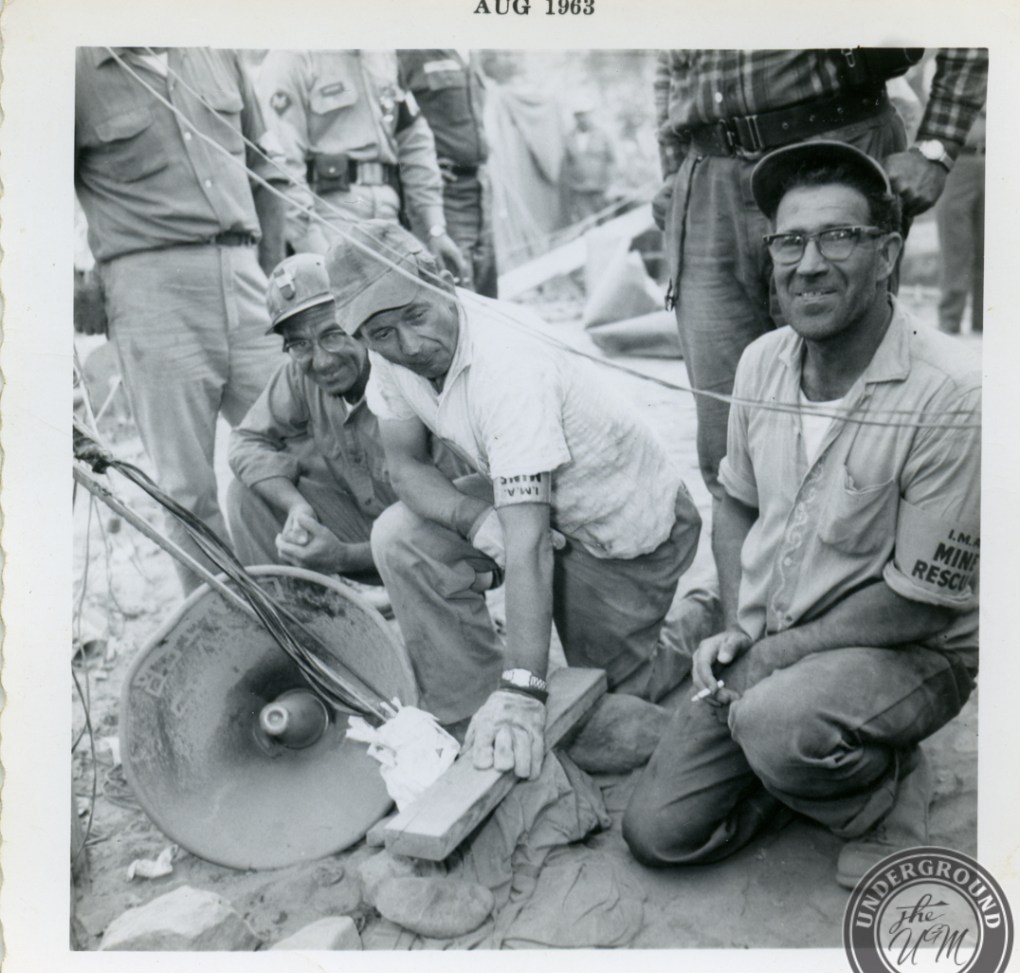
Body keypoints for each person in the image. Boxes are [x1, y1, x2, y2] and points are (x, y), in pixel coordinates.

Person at [624, 141, 980, 888]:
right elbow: (735, 502)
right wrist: (736, 626)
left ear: (886, 254)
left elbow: (917, 604)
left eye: (838, 236)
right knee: (659, 833)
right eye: (790, 240)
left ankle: (881, 796)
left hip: (908, 653)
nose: (808, 263)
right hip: (776, 643)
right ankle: (797, 766)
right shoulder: (761, 362)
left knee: (778, 722)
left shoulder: (953, 395)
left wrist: (772, 662)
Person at [325, 220, 702, 781]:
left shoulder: (508, 364)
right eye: (381, 334)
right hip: (531, 506)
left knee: (606, 709)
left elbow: (528, 546)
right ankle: (469, 705)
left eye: (415, 317)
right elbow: (405, 465)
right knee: (399, 536)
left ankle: (701, 613)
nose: (407, 346)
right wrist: (475, 521)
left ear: (441, 279)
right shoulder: (391, 354)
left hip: (624, 533)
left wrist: (525, 692)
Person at [652, 48, 987, 509]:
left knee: (851, 433)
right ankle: (750, 579)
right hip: (708, 174)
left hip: (835, 147)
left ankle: (841, 577)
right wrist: (673, 171)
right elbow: (669, 60)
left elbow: (971, 27)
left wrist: (938, 146)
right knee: (727, 443)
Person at [75, 46, 289, 594]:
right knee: (188, 487)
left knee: (297, 443)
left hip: (244, 272)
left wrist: (265, 275)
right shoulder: (74, 64)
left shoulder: (214, 50)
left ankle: (313, 600)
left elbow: (266, 170)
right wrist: (79, 278)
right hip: (149, 284)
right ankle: (229, 633)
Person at [227, 253, 467, 576]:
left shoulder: (408, 371)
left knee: (406, 530)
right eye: (299, 344)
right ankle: (300, 623)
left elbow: (458, 524)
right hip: (361, 531)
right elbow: (245, 442)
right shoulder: (299, 375)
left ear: (358, 321)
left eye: (333, 334)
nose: (322, 361)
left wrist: (344, 558)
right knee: (246, 495)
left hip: (438, 548)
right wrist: (296, 506)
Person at [256, 48, 464, 283]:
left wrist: (434, 228)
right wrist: (314, 249)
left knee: (422, 300)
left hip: (388, 215)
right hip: (331, 215)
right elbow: (283, 165)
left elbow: (415, 142)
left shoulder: (383, 53)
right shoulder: (292, 56)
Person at [398, 49, 498, 298]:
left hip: (479, 188)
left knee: (486, 289)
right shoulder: (411, 52)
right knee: (456, 290)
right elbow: (390, 119)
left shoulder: (468, 52)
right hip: (443, 194)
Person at [936, 108, 985, 334]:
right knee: (956, 245)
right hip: (958, 159)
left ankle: (984, 322)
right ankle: (950, 320)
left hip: (1000, 158)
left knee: (993, 245)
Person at [561, 99, 616, 225]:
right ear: (575, 117)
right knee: (588, 228)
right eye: (579, 115)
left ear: (590, 114)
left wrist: (611, 185)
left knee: (609, 227)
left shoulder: (603, 134)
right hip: (581, 193)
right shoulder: (568, 138)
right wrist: (571, 189)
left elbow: (612, 161)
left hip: (602, 190)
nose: (583, 118)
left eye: (585, 114)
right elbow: (566, 165)